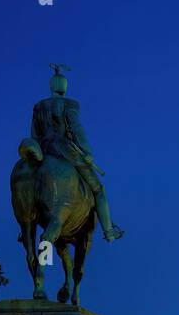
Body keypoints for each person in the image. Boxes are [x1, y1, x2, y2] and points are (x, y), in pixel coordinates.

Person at [29, 64, 124, 241]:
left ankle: (25, 229)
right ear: (64, 87)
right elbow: (76, 129)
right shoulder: (70, 104)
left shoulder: (38, 107)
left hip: (42, 152)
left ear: (51, 87)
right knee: (98, 189)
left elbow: (33, 135)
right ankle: (109, 231)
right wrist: (87, 153)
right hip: (65, 151)